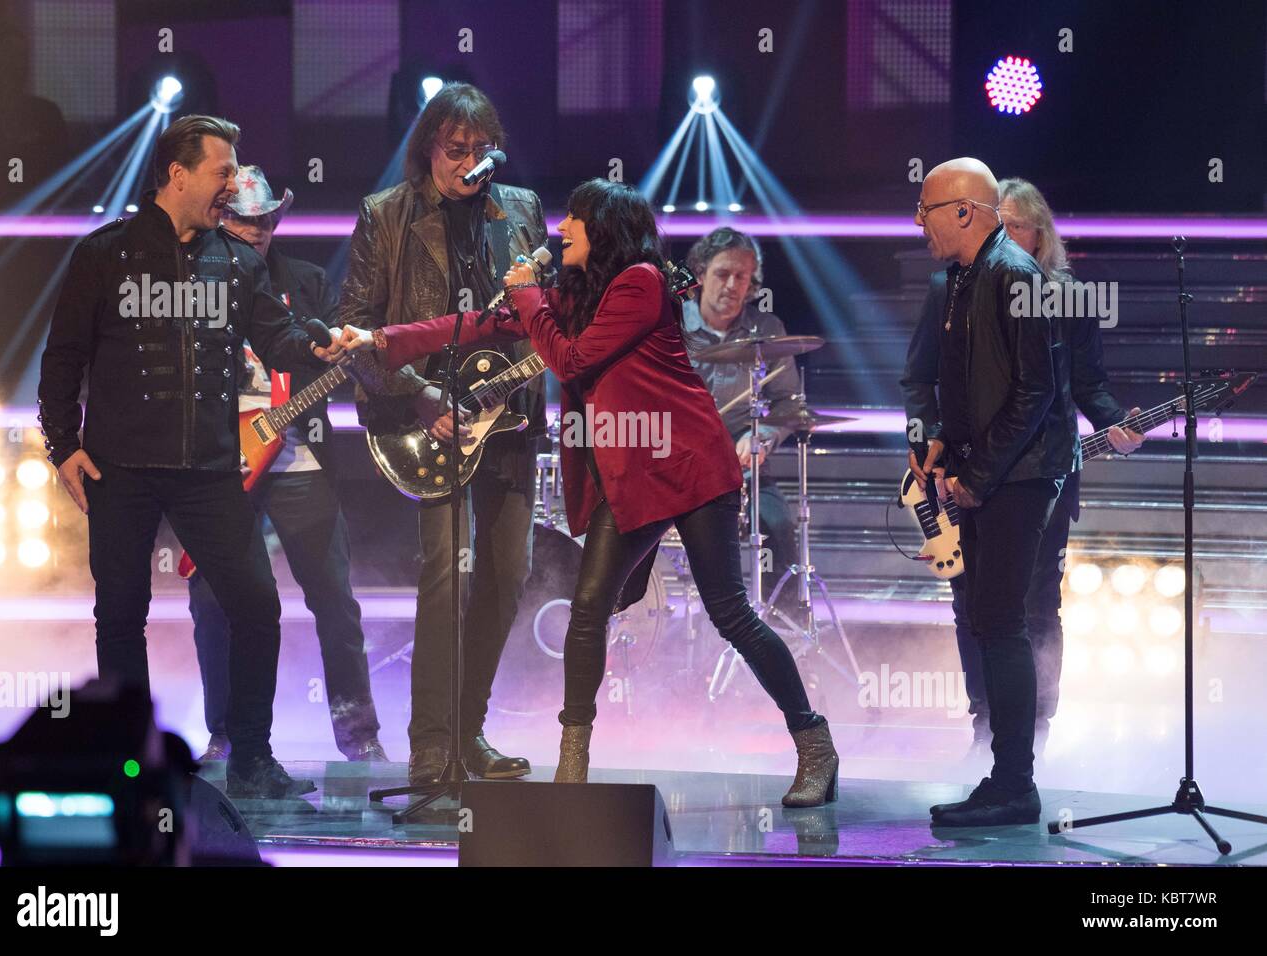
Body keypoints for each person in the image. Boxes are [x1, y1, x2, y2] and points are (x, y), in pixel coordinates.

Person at [334, 178, 839, 807]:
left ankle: (815, 743)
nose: (560, 230)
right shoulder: (570, 295)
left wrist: (527, 297)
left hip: (687, 467)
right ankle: (573, 764)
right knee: (589, 607)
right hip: (630, 477)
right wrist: (380, 340)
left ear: (602, 229)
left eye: (572, 220)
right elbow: (468, 323)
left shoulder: (642, 283)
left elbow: (571, 361)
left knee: (730, 612)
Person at [37, 115, 338, 798]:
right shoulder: (104, 255)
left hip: (208, 470)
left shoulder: (236, 261)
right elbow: (62, 359)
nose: (231, 184)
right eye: (221, 171)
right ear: (179, 175)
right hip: (122, 468)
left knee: (257, 607)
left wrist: (323, 342)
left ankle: (251, 758)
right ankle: (132, 764)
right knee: (120, 615)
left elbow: (281, 338)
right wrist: (64, 447)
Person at [337, 83, 547, 784]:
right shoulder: (387, 216)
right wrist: (423, 396)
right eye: (456, 150)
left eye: (481, 150)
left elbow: (542, 319)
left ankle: (468, 730)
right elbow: (359, 336)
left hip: (508, 420)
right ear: (429, 146)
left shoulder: (517, 213)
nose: (469, 163)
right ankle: (431, 747)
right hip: (428, 426)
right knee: (446, 578)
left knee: (506, 578)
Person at [902, 177, 1144, 757]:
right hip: (970, 474)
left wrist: (1116, 420)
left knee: (1035, 605)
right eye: (998, 221)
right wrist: (926, 436)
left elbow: (1083, 383)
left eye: (1016, 225)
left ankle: (1032, 735)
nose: (1004, 234)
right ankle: (986, 725)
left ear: (1039, 235)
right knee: (973, 604)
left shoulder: (1058, 295)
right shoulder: (951, 287)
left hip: (1036, 472)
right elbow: (920, 379)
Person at [187, 165, 386, 763]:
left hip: (298, 459)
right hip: (221, 463)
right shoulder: (194, 281)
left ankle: (360, 738)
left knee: (334, 599)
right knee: (211, 601)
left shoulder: (304, 281)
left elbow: (331, 358)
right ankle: (226, 737)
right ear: (221, 219)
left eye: (266, 219)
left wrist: (357, 357)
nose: (257, 230)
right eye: (244, 218)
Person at [907, 158, 1077, 827]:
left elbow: (1037, 394)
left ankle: (1014, 783)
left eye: (926, 208)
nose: (917, 221)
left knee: (1002, 625)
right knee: (991, 622)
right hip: (991, 472)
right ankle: (1005, 776)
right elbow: (962, 381)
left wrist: (976, 477)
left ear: (964, 212)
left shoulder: (1015, 275)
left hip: (1017, 476)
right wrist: (945, 442)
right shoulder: (962, 279)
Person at [682, 227, 801, 617]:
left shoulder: (766, 331)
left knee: (779, 523)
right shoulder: (669, 324)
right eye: (722, 274)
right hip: (675, 459)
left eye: (742, 277)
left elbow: (790, 402)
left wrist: (762, 436)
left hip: (740, 464)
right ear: (700, 274)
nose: (732, 285)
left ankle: (783, 627)